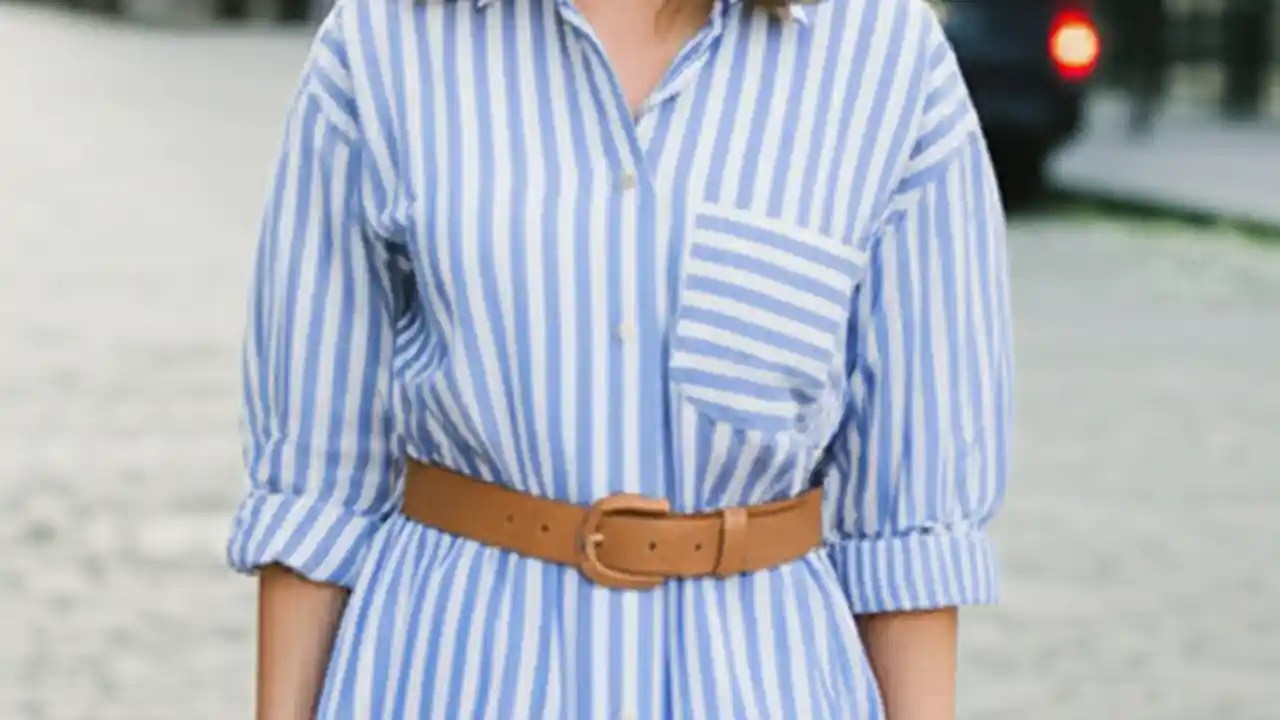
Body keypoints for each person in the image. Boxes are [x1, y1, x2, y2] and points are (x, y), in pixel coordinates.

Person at [225, 0, 1013, 716]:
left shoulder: (886, 58)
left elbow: (909, 534)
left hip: (763, 687)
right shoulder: (386, 40)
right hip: (449, 678)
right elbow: (315, 491)